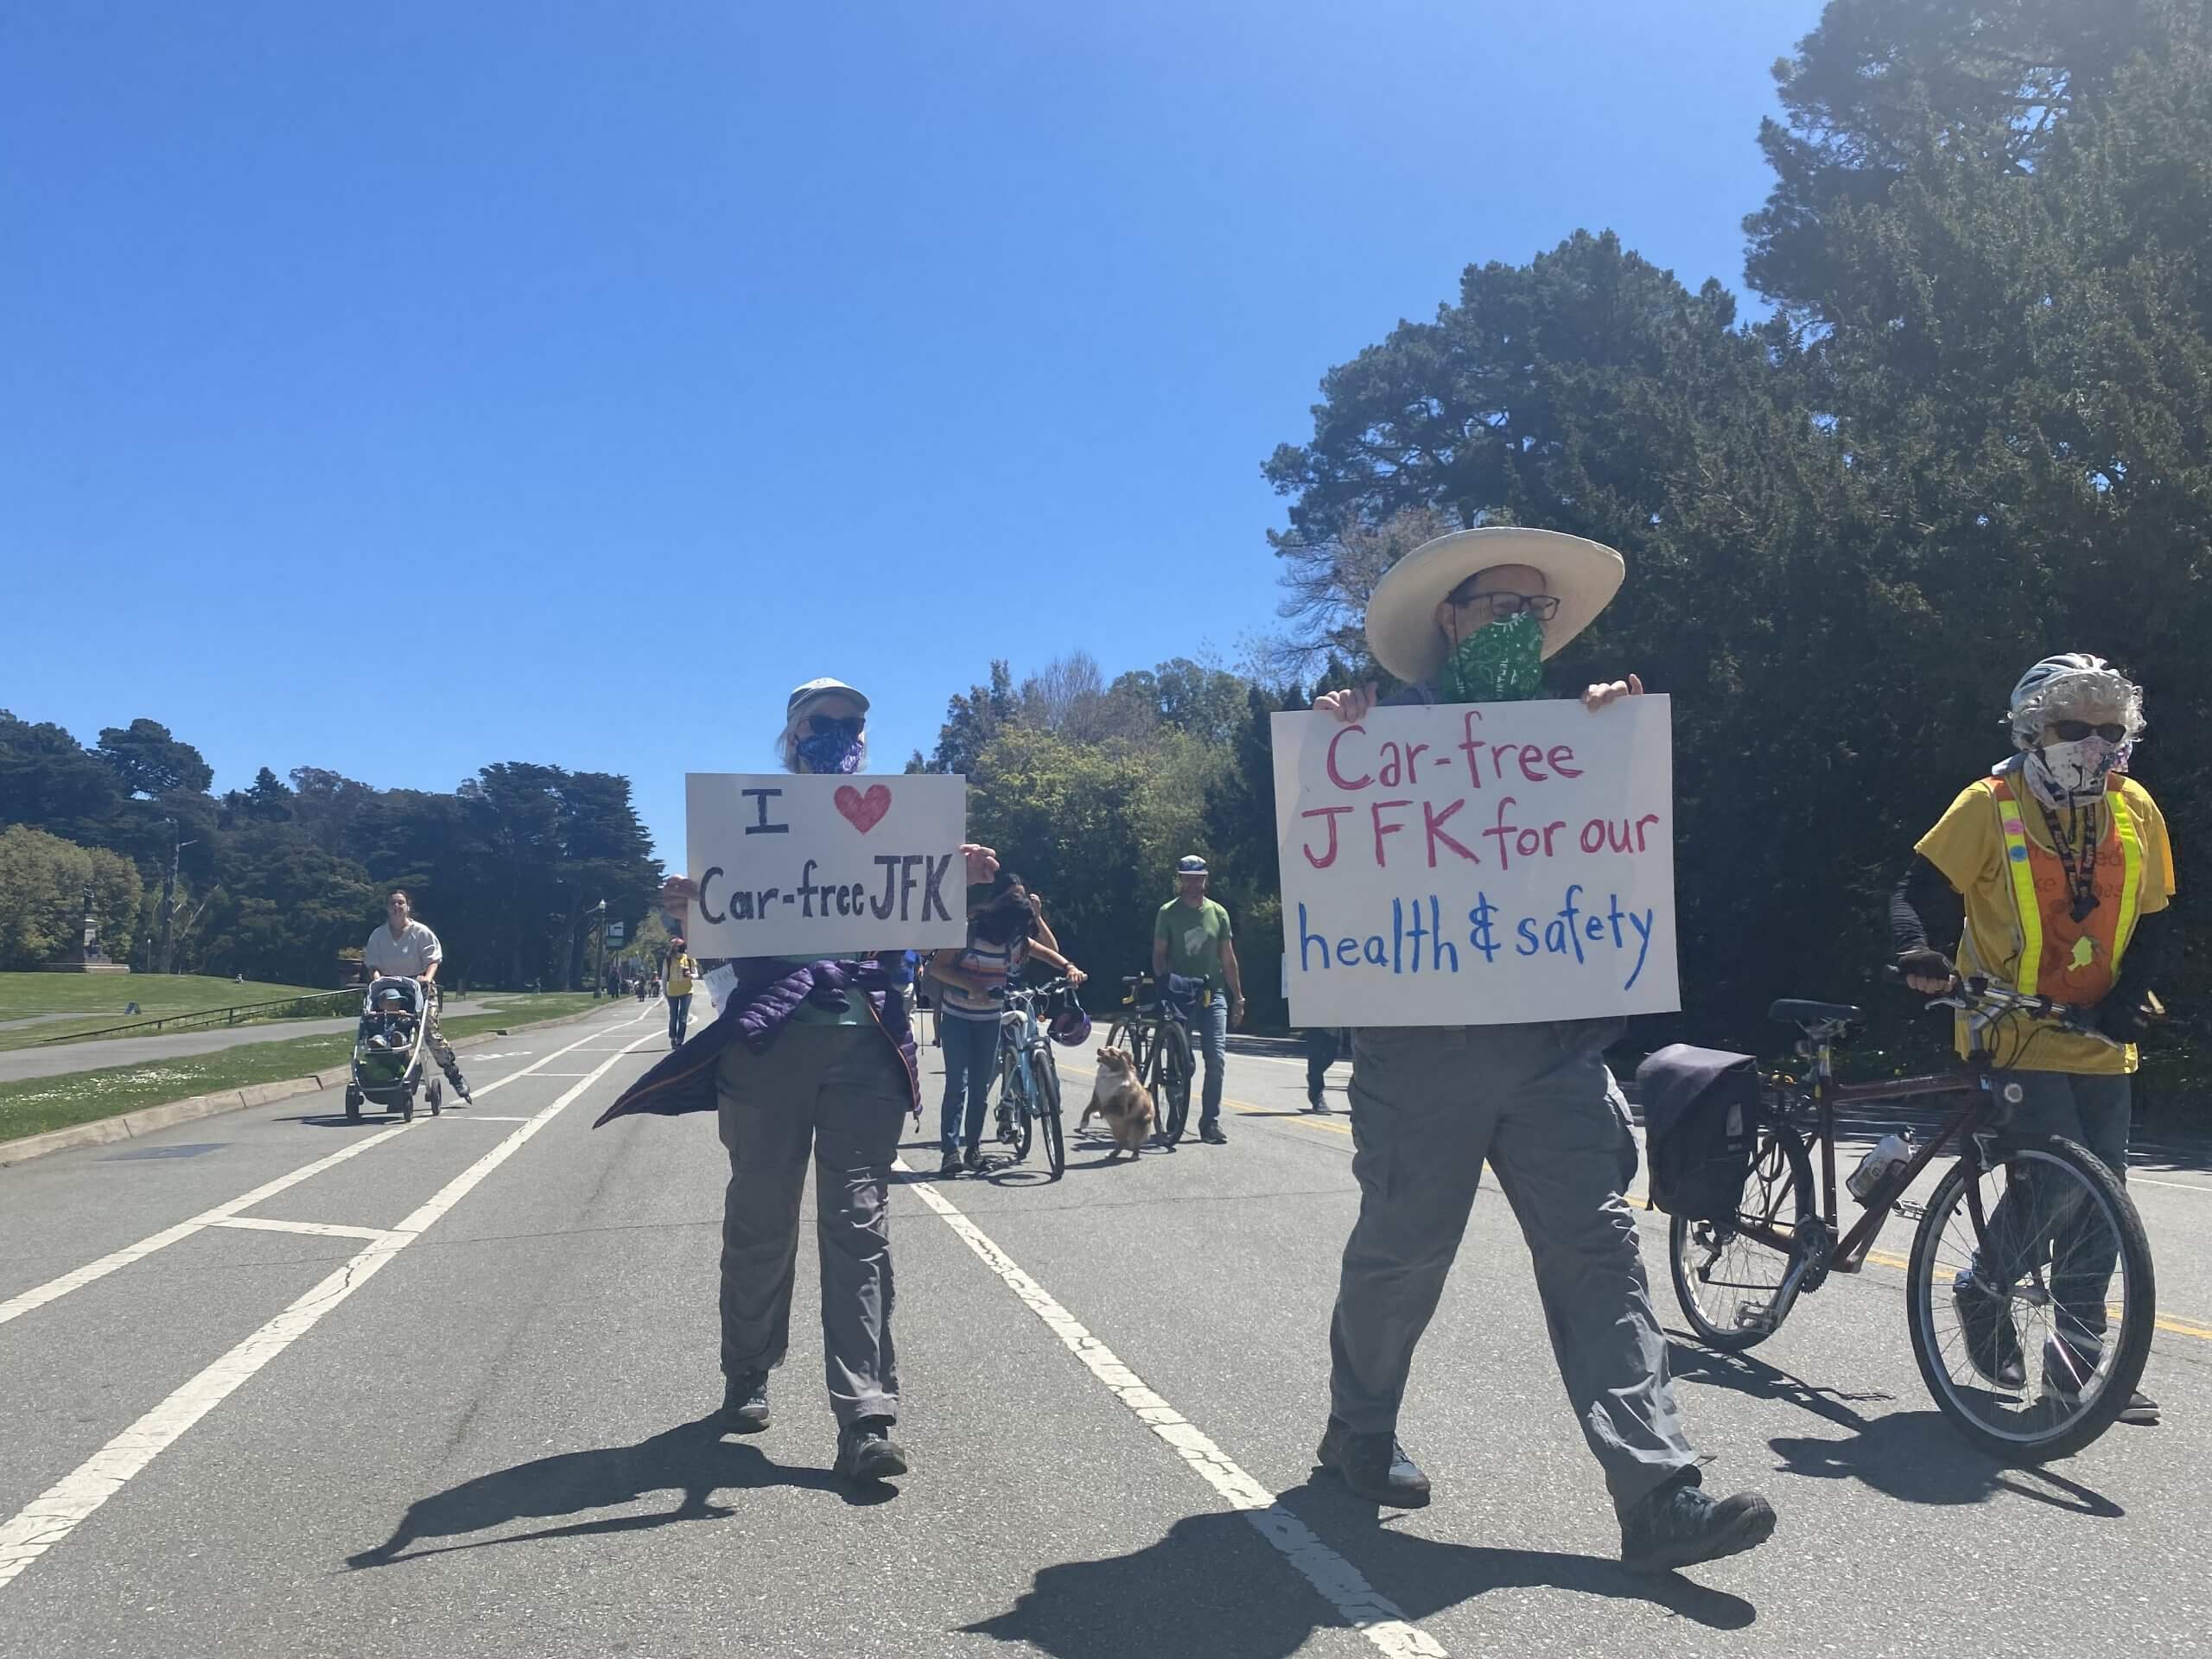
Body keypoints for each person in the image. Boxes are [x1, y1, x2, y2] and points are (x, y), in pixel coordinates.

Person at [1309, 526, 1774, 1574]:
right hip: (1418, 1054)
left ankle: (1658, 1491)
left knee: (1599, 1255)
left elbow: (1614, 865)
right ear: (1450, 620)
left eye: (1536, 613)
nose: (1520, 628)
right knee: (1402, 1255)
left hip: (1555, 1053)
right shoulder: (1379, 735)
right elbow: (1339, 858)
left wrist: (1610, 743)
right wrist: (1342, 741)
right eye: (1498, 608)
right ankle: (1359, 1430)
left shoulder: (1580, 734)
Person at [594, 676, 998, 1486]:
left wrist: (957, 881)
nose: (839, 733)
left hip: (867, 1053)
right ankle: (747, 1368)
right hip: (769, 1050)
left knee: (860, 1227)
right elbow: (721, 941)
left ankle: (867, 1412)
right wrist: (688, 909)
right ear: (792, 734)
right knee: (760, 1218)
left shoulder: (904, 823)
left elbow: (911, 935)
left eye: (853, 722)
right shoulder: (747, 822)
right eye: (823, 722)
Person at [1893, 653, 2175, 1426]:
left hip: (2097, 1039)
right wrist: (1919, 950)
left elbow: (2152, 918)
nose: (2092, 742)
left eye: (2108, 729)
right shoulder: (1991, 803)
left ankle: (2077, 1370)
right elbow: (1920, 890)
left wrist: (2126, 998)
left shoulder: (2134, 806)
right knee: (2053, 1184)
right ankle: (1983, 1290)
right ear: (2032, 728)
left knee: (2102, 1199)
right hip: (2008, 1029)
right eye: (2072, 727)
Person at [929, 873, 1087, 1176]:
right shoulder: (967, 932)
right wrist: (970, 985)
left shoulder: (1014, 940)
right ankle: (950, 1151)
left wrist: (1069, 967)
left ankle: (972, 1150)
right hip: (958, 1018)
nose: (1021, 934)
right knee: (957, 1085)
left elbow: (1045, 951)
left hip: (989, 1019)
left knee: (978, 1088)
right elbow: (938, 968)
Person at [1151, 856, 1245, 1145]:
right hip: (1180, 993)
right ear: (1180, 880)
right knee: (1180, 1060)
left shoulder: (1218, 913)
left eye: (1198, 879)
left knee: (1215, 1058)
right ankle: (1174, 1110)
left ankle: (1210, 1123)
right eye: (1187, 879)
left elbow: (1227, 958)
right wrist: (1165, 984)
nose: (1193, 885)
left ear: (1206, 880)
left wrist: (1238, 996)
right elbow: (1159, 954)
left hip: (1212, 993)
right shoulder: (1168, 912)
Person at [363, 890, 472, 1104]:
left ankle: (453, 1074)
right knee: (382, 1027)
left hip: (418, 988)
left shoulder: (421, 932)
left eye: (401, 903)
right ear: (387, 907)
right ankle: (395, 1075)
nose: (397, 907)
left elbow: (433, 960)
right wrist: (377, 981)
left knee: (430, 1032)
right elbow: (373, 965)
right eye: (393, 903)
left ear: (408, 907)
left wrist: (427, 978)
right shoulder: (378, 935)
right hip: (390, 988)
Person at [664, 938, 697, 1049]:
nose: (684, 948)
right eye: (681, 946)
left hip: (687, 991)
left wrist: (691, 975)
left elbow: (696, 974)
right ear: (675, 948)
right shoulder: (668, 960)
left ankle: (679, 1040)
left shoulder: (689, 958)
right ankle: (673, 1038)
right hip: (672, 992)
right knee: (673, 1016)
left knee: (683, 1017)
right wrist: (664, 991)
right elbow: (664, 977)